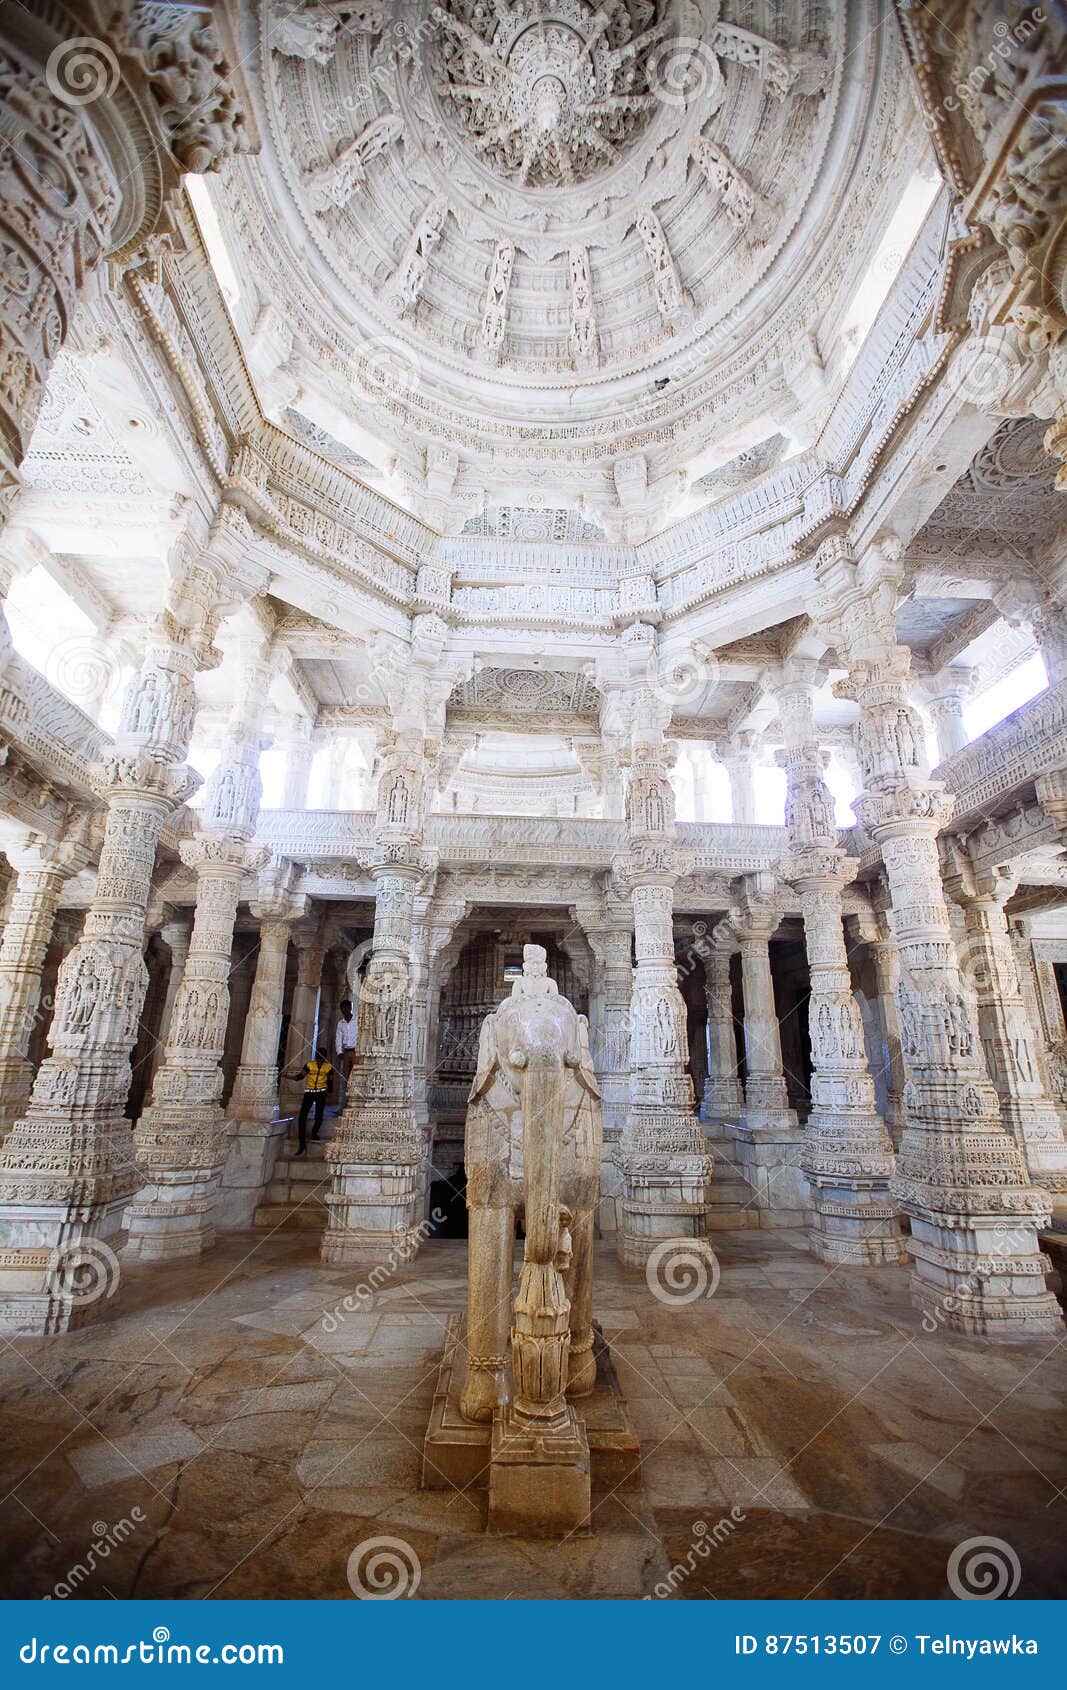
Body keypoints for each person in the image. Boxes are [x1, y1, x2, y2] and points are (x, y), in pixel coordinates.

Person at [283, 1047, 334, 1157]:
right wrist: (289, 1077)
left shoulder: (328, 1068)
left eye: (322, 1059)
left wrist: (328, 1094)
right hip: (309, 1092)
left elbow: (330, 1083)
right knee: (302, 1116)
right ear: (316, 1058)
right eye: (318, 1059)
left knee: (319, 1116)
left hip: (321, 1092)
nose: (320, 1061)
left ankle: (314, 1133)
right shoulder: (309, 1065)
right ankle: (301, 1143)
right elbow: (300, 1077)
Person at [334, 996, 358, 1101]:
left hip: (356, 1051)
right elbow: (338, 1038)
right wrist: (339, 1052)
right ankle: (345, 1100)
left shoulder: (357, 1020)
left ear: (350, 1008)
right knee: (346, 1076)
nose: (344, 1010)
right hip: (346, 1052)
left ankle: (355, 1097)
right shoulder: (341, 1023)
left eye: (346, 1008)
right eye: (342, 1008)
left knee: (357, 1074)